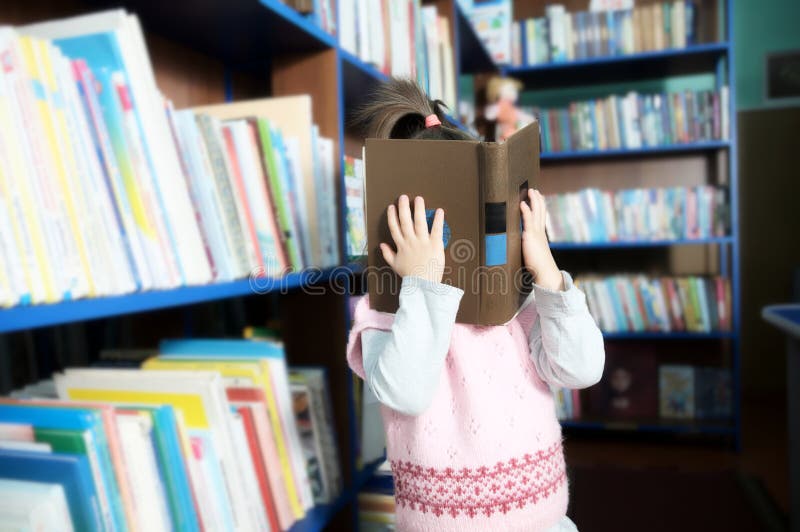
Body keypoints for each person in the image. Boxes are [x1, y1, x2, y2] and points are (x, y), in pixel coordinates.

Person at [347, 79, 605, 531]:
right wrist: (423, 284)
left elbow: (582, 369)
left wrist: (547, 274)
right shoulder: (384, 310)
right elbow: (405, 391)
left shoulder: (514, 301)